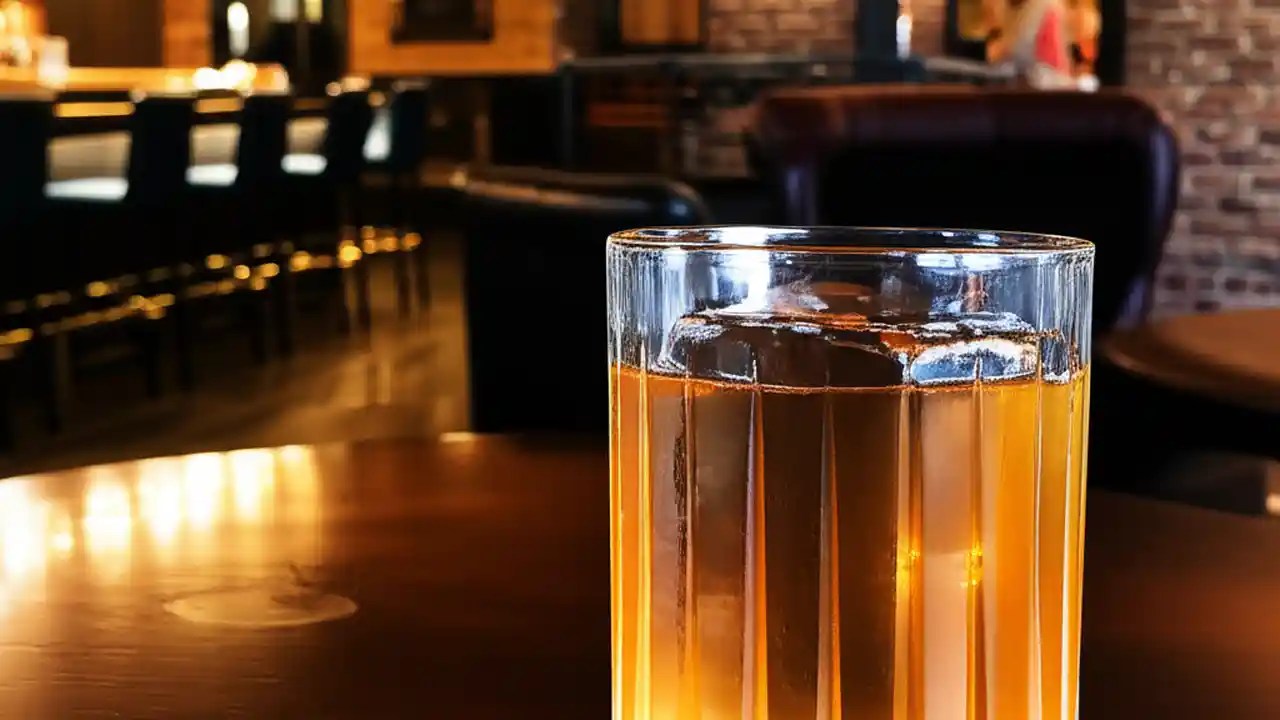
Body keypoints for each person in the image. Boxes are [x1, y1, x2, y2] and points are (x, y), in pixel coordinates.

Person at [986, 0, 1072, 82]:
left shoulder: (1045, 8)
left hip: (1047, 87)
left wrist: (1003, 51)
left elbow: (1055, 70)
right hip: (1020, 85)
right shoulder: (1007, 9)